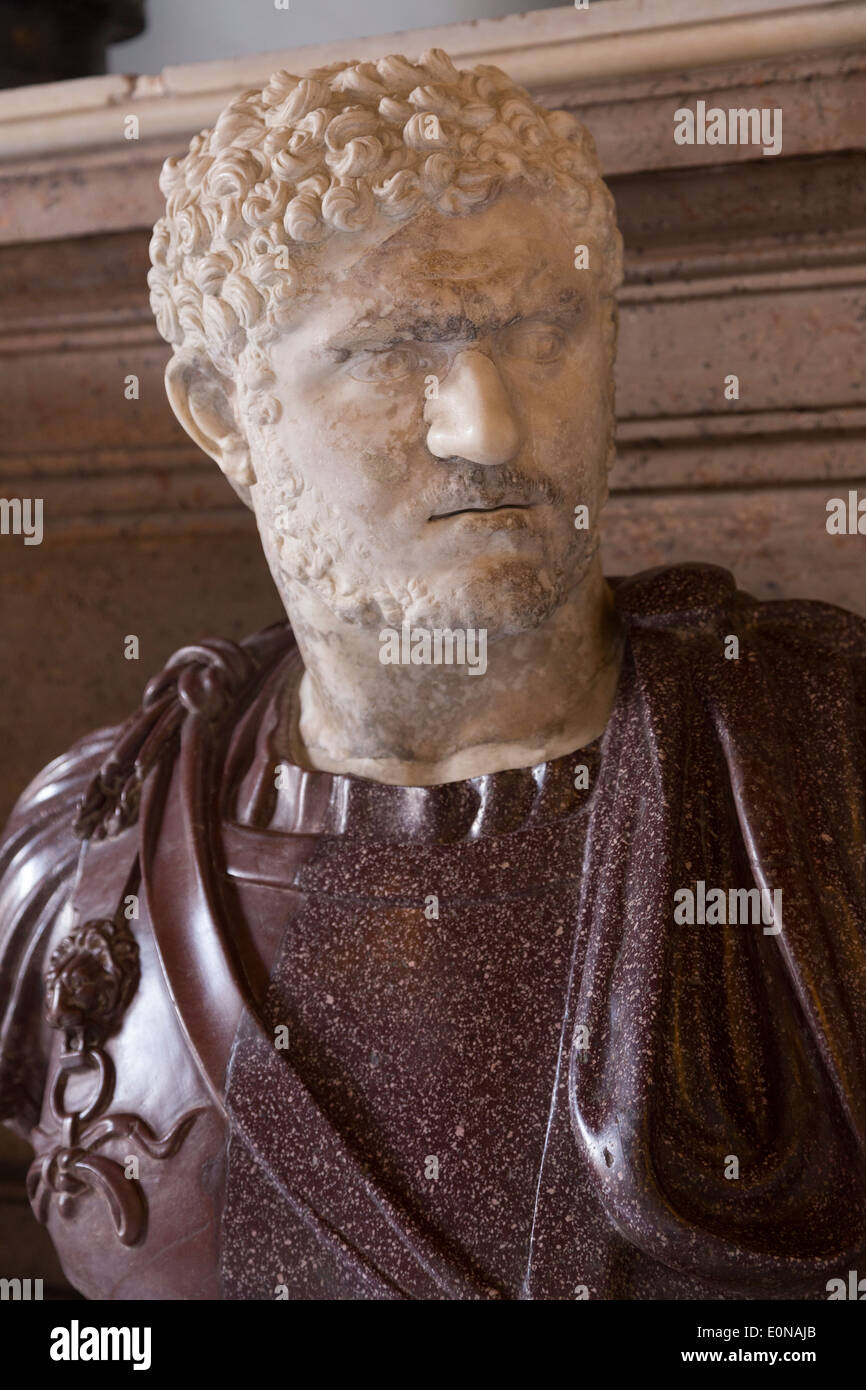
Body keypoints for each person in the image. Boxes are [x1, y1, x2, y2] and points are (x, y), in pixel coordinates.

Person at [1, 47, 865, 1301]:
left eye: (545, 331)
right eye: (388, 350)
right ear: (224, 418)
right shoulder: (87, 845)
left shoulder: (814, 766)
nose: (489, 429)